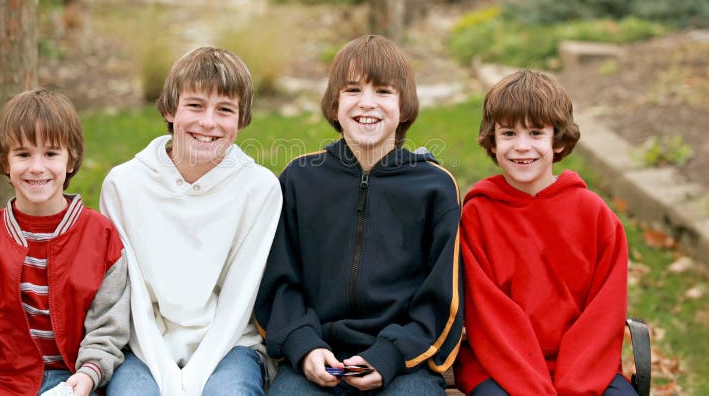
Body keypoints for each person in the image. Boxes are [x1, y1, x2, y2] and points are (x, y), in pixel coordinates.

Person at [254, 34, 463, 395]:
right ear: (335, 103)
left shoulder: (435, 187)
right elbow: (278, 282)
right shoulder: (299, 180)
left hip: (401, 364)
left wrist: (390, 355)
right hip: (317, 355)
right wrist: (304, 345)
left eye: (383, 91)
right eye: (353, 90)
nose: (367, 103)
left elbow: (442, 298)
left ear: (404, 106)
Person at [99, 46, 282, 396]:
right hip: (143, 347)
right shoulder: (124, 186)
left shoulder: (260, 190)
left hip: (230, 348)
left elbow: (238, 302)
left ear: (241, 120)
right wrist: (172, 383)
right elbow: (134, 302)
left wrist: (193, 381)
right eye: (195, 105)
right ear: (170, 109)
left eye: (224, 109)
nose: (208, 122)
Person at [0, 88, 130, 396]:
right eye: (23, 154)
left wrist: (90, 372)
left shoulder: (100, 236)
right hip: (3, 380)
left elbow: (109, 322)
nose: (37, 167)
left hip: (75, 381)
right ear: (5, 163)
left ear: (71, 160)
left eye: (51, 154)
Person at [454, 69, 635, 395]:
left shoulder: (594, 215)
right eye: (509, 133)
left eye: (536, 133)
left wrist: (574, 385)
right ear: (493, 142)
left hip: (585, 367)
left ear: (559, 140)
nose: (522, 146)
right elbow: (488, 316)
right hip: (500, 366)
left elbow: (604, 315)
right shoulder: (477, 215)